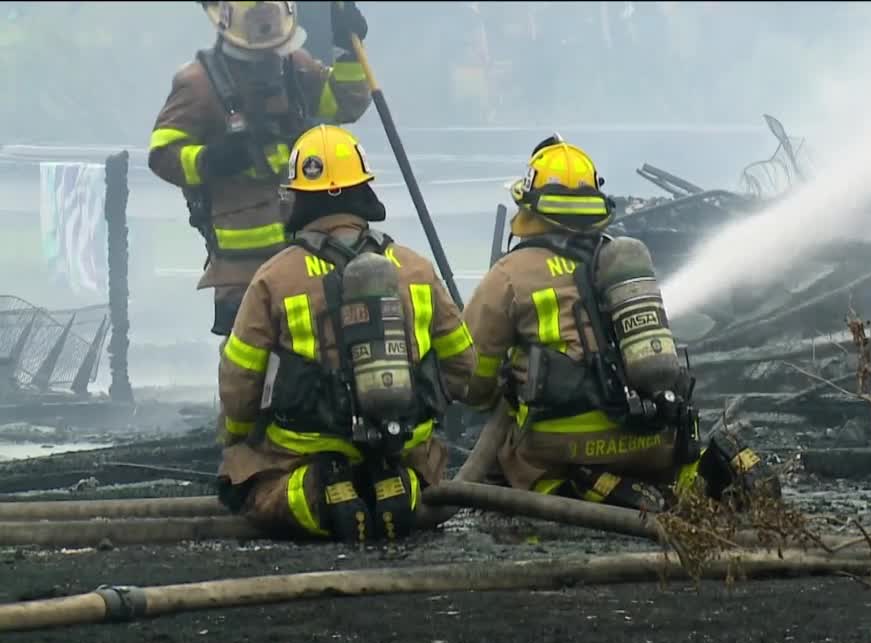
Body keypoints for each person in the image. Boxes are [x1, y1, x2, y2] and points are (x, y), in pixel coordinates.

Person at [461, 135, 773, 512]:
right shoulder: (623, 264)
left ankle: (583, 487)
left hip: (563, 448)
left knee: (512, 471)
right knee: (683, 472)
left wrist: (499, 388)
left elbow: (472, 376)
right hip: (653, 441)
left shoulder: (509, 274)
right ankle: (719, 472)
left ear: (530, 206)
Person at [215, 125, 477, 544]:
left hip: (303, 452)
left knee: (247, 482)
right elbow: (464, 364)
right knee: (424, 471)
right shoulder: (414, 267)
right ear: (363, 192)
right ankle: (402, 487)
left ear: (298, 199)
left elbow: (239, 381)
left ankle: (316, 492)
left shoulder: (275, 277)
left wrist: (238, 435)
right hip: (404, 447)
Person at [148, 0, 373, 338]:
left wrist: (350, 53)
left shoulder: (292, 66)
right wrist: (210, 160)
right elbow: (162, 153)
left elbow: (344, 102)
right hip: (240, 268)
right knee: (249, 365)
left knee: (314, 357)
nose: (269, 60)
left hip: (304, 253)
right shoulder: (198, 82)